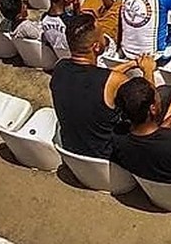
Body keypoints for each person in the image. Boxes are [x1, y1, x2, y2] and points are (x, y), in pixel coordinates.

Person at [50, 13, 156, 159]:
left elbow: (98, 77)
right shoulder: (115, 81)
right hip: (106, 156)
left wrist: (131, 64)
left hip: (72, 150)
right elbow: (147, 100)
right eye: (102, 34)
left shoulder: (59, 68)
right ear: (96, 47)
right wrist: (148, 70)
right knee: (163, 94)